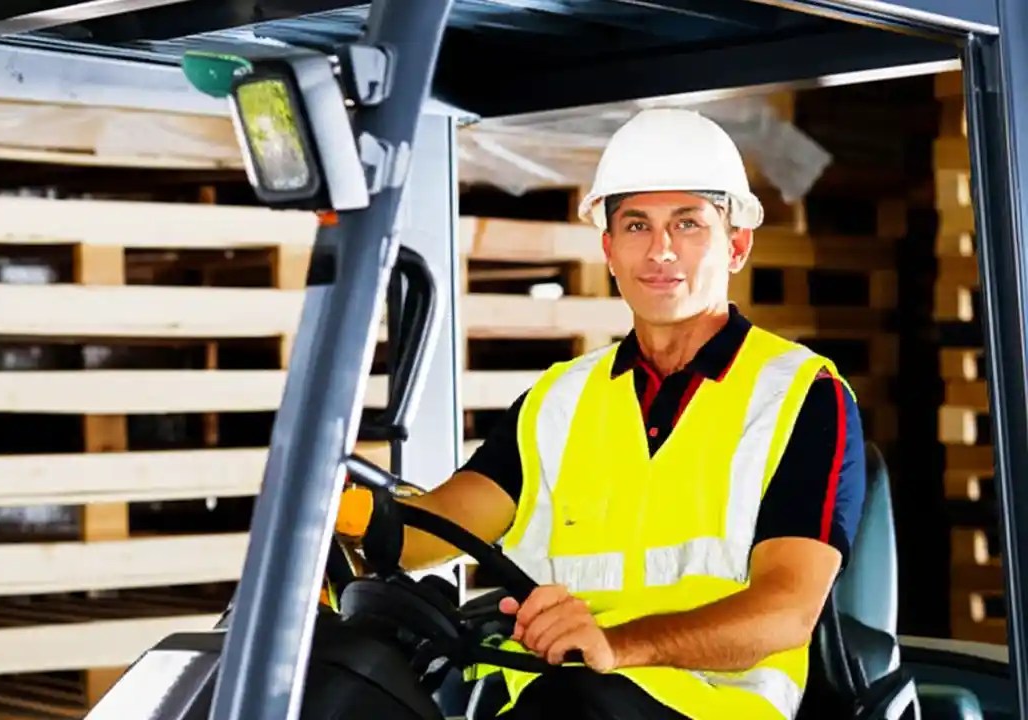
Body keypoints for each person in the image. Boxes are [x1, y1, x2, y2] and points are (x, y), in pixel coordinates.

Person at [334, 107, 866, 720]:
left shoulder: (800, 395)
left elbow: (786, 611)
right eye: (637, 225)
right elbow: (440, 527)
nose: (661, 249)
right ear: (609, 248)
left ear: (737, 244)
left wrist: (616, 647)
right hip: (564, 696)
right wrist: (344, 513)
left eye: (688, 224)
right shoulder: (558, 400)